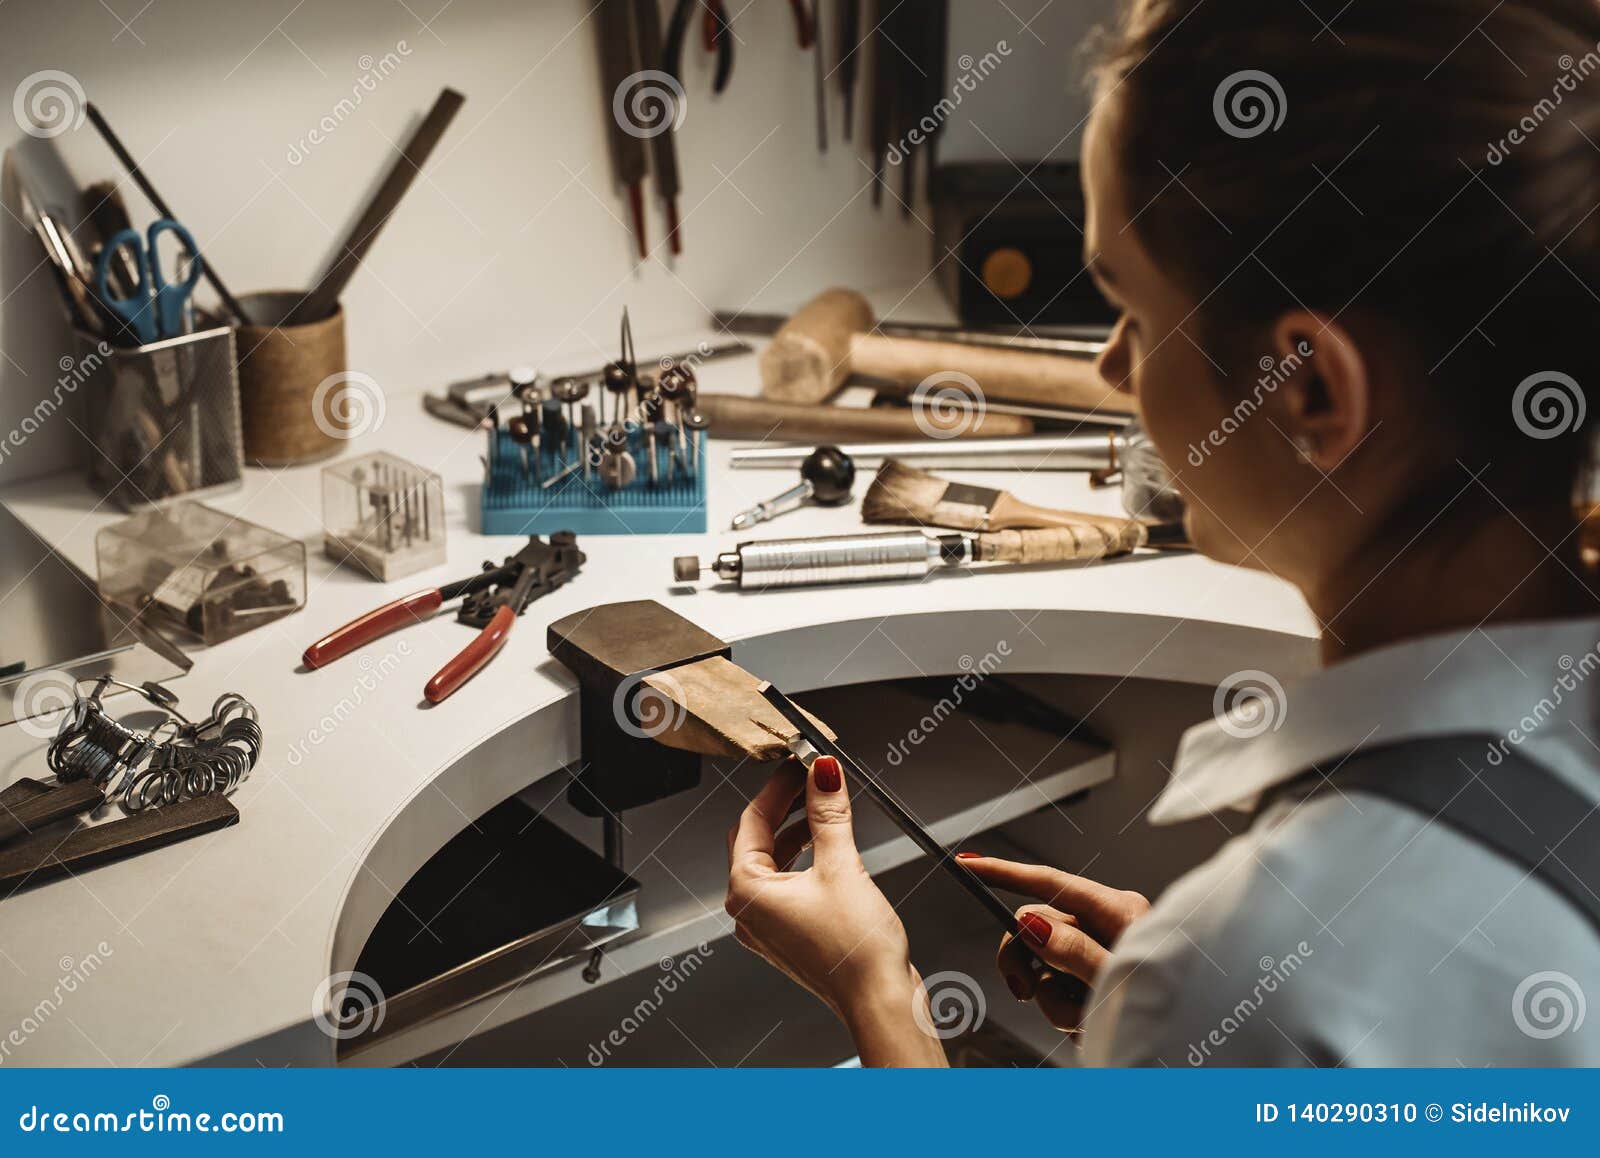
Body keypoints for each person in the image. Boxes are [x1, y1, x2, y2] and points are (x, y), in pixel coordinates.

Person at [724, 0, 1600, 1066]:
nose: (1109, 370)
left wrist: (878, 998)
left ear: (1309, 389)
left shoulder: (1257, 959)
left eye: (1131, 309)